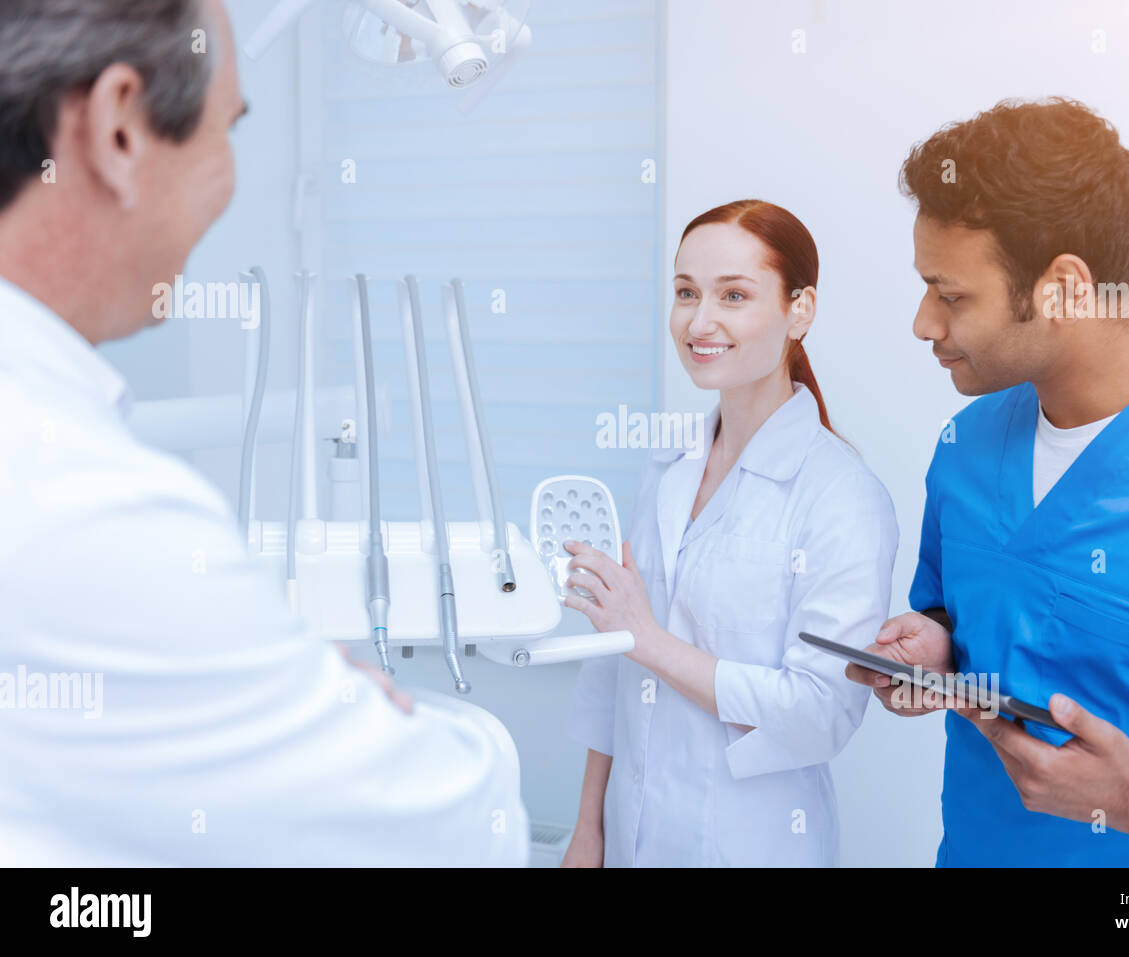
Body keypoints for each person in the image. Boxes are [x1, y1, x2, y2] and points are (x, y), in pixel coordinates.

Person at [0, 0, 526, 866]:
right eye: (227, 130)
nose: (232, 176)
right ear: (119, 129)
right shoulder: (84, 513)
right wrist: (368, 706)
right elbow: (455, 830)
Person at [851, 97, 1129, 866]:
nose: (924, 323)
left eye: (952, 294)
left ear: (1063, 286)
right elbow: (963, 619)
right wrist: (935, 650)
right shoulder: (968, 445)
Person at [562, 200, 898, 867]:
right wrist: (587, 829)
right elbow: (615, 664)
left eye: (733, 295)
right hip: (629, 835)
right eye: (686, 293)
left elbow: (820, 710)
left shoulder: (840, 496)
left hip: (753, 844)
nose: (699, 321)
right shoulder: (666, 466)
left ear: (799, 309)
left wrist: (649, 639)